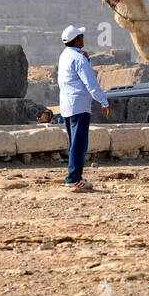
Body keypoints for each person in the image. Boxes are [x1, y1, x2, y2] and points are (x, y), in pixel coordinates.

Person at [57, 24, 110, 192]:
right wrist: (103, 101)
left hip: (67, 105)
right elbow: (90, 83)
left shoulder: (65, 55)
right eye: (81, 36)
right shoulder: (79, 58)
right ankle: (74, 178)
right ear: (77, 40)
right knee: (79, 144)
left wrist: (88, 60)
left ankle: (74, 176)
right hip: (79, 106)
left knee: (74, 143)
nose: (83, 39)